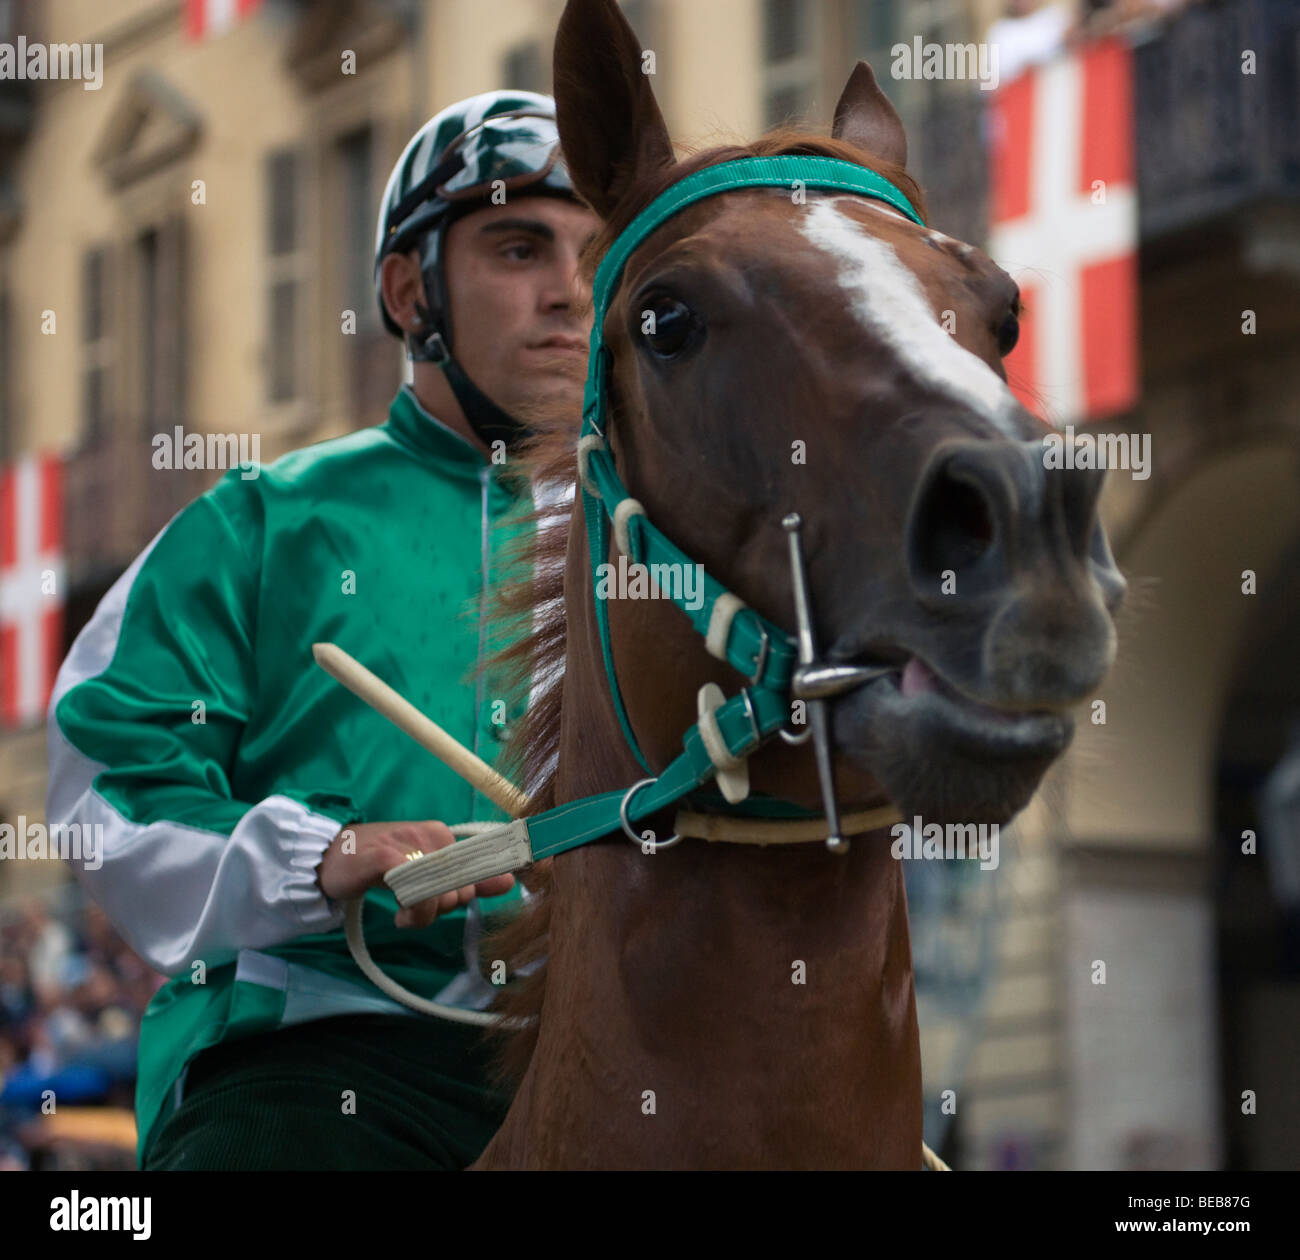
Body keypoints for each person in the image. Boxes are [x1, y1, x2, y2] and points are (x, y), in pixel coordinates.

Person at [45, 90, 599, 1170]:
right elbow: (110, 779)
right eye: (519, 248)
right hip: (319, 1064)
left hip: (616, 1064)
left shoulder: (676, 537)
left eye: (598, 255)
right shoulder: (261, 526)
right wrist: (324, 858)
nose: (570, 294)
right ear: (410, 291)